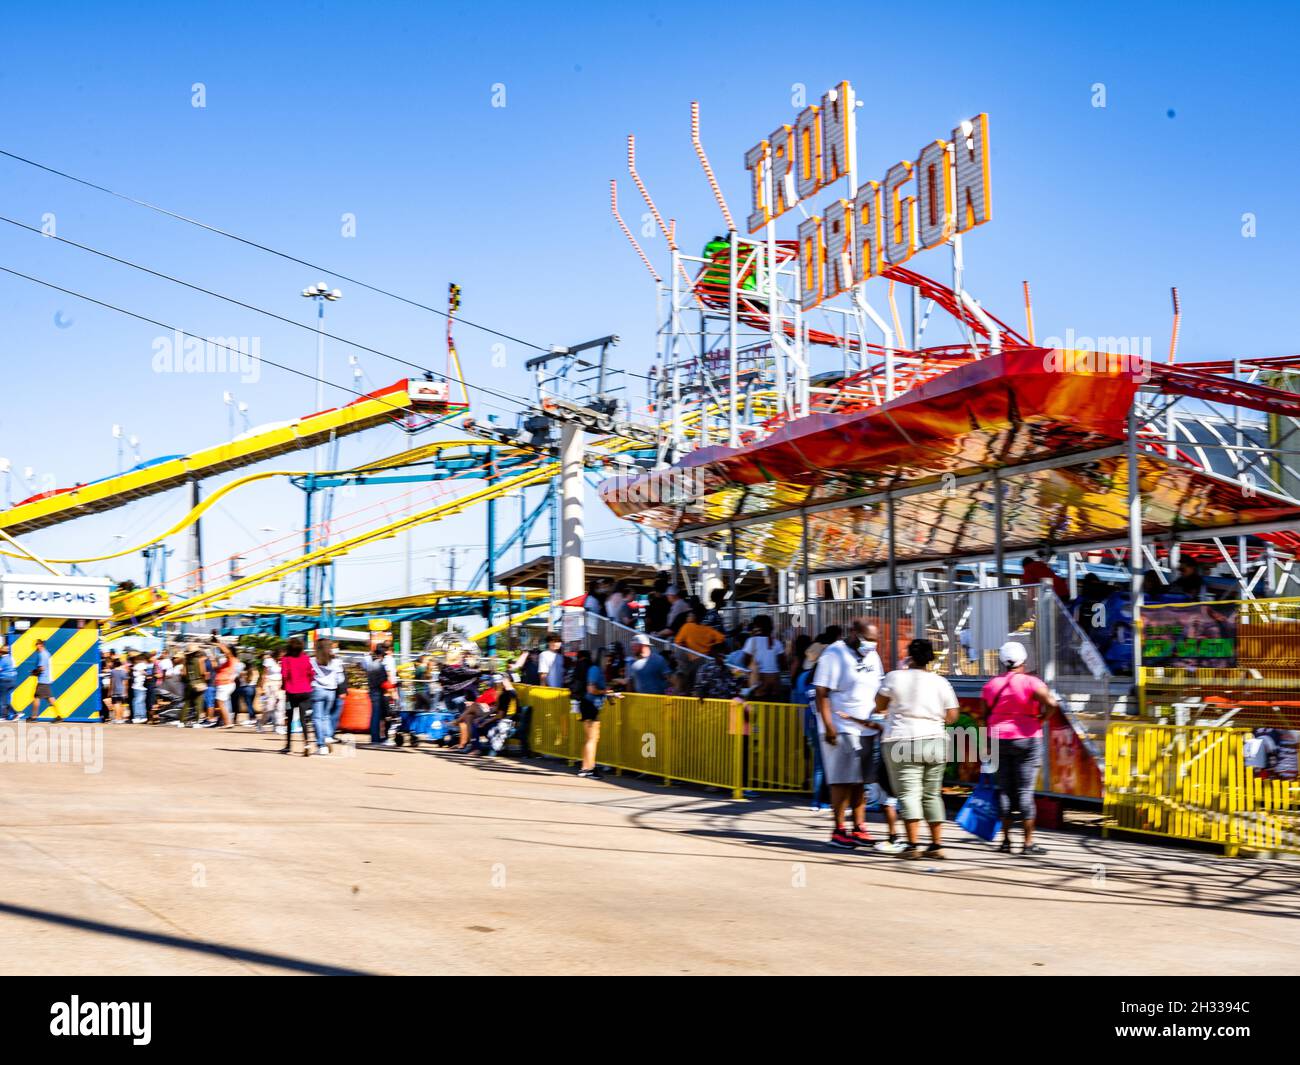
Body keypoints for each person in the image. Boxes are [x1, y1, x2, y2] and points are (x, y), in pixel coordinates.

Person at [875, 638, 959, 860]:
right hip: (935, 741)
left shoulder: (894, 677)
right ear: (930, 658)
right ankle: (936, 845)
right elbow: (952, 716)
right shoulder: (941, 682)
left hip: (901, 740)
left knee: (908, 794)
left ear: (909, 656)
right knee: (932, 794)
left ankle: (913, 845)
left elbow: (879, 705)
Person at [982, 641, 1060, 856]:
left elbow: (985, 716)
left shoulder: (991, 685)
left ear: (1002, 662)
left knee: (1005, 790)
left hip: (998, 738)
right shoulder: (1031, 682)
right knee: (1025, 791)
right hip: (1027, 738)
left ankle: (1006, 841)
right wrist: (1042, 719)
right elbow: (1052, 704)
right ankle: (1027, 844)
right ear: (1024, 661)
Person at [814, 620, 886, 849]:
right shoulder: (834, 653)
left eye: (874, 640)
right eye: (868, 639)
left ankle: (859, 827)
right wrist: (829, 726)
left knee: (860, 782)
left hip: (866, 727)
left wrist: (879, 718)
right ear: (854, 633)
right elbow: (821, 692)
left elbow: (879, 687)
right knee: (842, 781)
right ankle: (838, 830)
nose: (871, 644)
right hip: (841, 726)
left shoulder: (872, 656)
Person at [576, 649, 613, 779]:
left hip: (590, 705)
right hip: (590, 705)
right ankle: (590, 769)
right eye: (607, 658)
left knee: (589, 739)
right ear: (602, 658)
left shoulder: (596, 670)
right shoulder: (595, 669)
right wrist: (605, 692)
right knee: (592, 739)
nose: (609, 661)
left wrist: (607, 693)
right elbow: (591, 689)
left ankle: (584, 768)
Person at [280, 637, 317, 755]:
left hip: (291, 693)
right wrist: (307, 684)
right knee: (303, 719)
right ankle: (306, 743)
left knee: (289, 718)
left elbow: (284, 675)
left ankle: (288, 745)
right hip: (305, 692)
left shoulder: (285, 659)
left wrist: (284, 686)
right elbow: (311, 674)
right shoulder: (306, 658)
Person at [310, 639, 346, 755]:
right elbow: (340, 679)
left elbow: (308, 675)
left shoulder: (313, 661)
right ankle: (328, 736)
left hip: (317, 689)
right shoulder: (336, 661)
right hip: (331, 691)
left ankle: (321, 745)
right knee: (326, 716)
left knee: (317, 718)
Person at [742, 615, 784, 700]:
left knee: (760, 703)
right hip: (775, 678)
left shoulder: (752, 641)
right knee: (774, 704)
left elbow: (745, 661)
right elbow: (782, 664)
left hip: (759, 677)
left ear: (757, 626)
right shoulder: (777, 642)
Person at [29, 639, 59, 720]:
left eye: (37, 645)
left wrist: (34, 672)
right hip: (46, 679)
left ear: (40, 645)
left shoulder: (42, 654)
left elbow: (42, 668)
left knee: (37, 698)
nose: (36, 646)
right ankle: (59, 715)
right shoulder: (46, 653)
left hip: (43, 680)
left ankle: (34, 716)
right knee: (50, 698)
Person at [181, 644, 208, 728]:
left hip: (189, 683)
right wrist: (204, 680)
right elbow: (203, 672)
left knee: (187, 703)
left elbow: (184, 674)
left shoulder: (186, 661)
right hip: (198, 682)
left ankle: (182, 722)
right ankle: (196, 722)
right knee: (198, 703)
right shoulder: (200, 660)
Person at [260, 648, 285, 732]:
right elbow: (264, 674)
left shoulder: (282, 662)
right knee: (269, 706)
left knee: (280, 706)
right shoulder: (268, 661)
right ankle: (261, 723)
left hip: (280, 684)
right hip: (269, 684)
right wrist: (262, 687)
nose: (282, 657)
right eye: (281, 655)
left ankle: (279, 726)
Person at [129, 652, 149, 723]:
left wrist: (143, 673)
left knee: (137, 702)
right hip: (138, 687)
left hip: (140, 687)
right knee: (139, 702)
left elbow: (145, 673)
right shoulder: (138, 665)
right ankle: (141, 717)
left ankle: (139, 717)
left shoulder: (141, 665)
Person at [0, 641, 16, 721]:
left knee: (3, 699)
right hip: (12, 680)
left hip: (5, 680)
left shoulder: (3, 660)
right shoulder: (10, 658)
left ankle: (5, 716)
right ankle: (8, 715)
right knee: (5, 699)